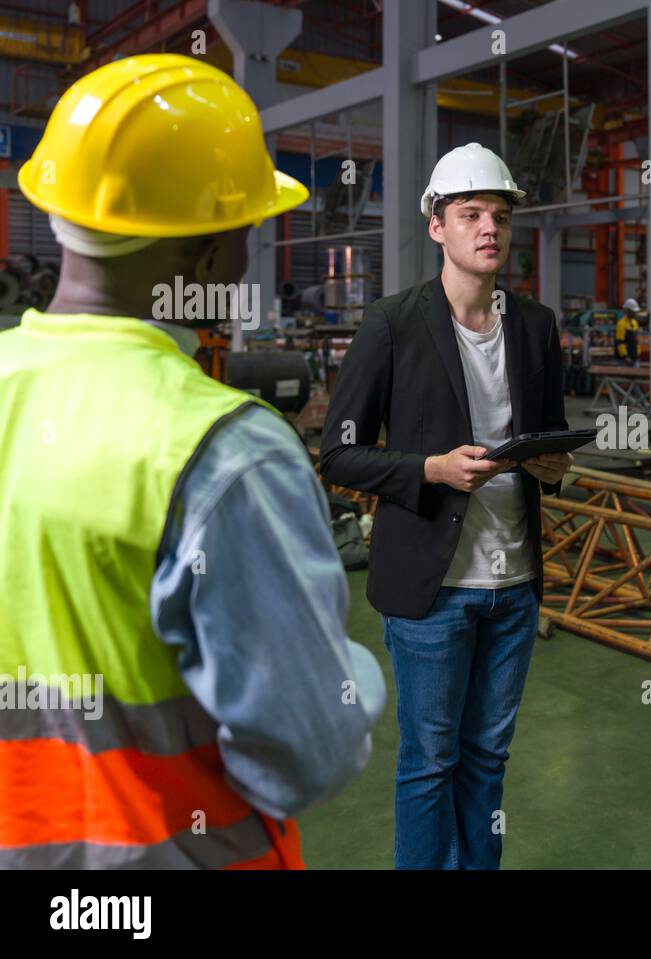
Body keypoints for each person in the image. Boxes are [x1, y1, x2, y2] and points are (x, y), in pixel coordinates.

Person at [0, 54, 383, 869]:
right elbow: (304, 752)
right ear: (210, 258)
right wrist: (345, 668)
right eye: (244, 233)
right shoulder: (226, 455)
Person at [319, 142, 571, 870]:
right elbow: (339, 453)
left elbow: (546, 442)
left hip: (515, 586)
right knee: (430, 760)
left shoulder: (534, 325)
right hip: (432, 591)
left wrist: (553, 464)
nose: (489, 227)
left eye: (499, 215)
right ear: (438, 226)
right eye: (471, 214)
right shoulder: (393, 325)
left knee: (487, 758)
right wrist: (426, 467)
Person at [615, 297, 640, 366]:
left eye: (635, 312)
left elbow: (636, 340)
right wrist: (625, 357)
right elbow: (620, 342)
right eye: (633, 312)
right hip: (624, 360)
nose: (635, 313)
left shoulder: (635, 323)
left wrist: (637, 354)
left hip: (634, 358)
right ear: (627, 311)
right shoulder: (621, 324)